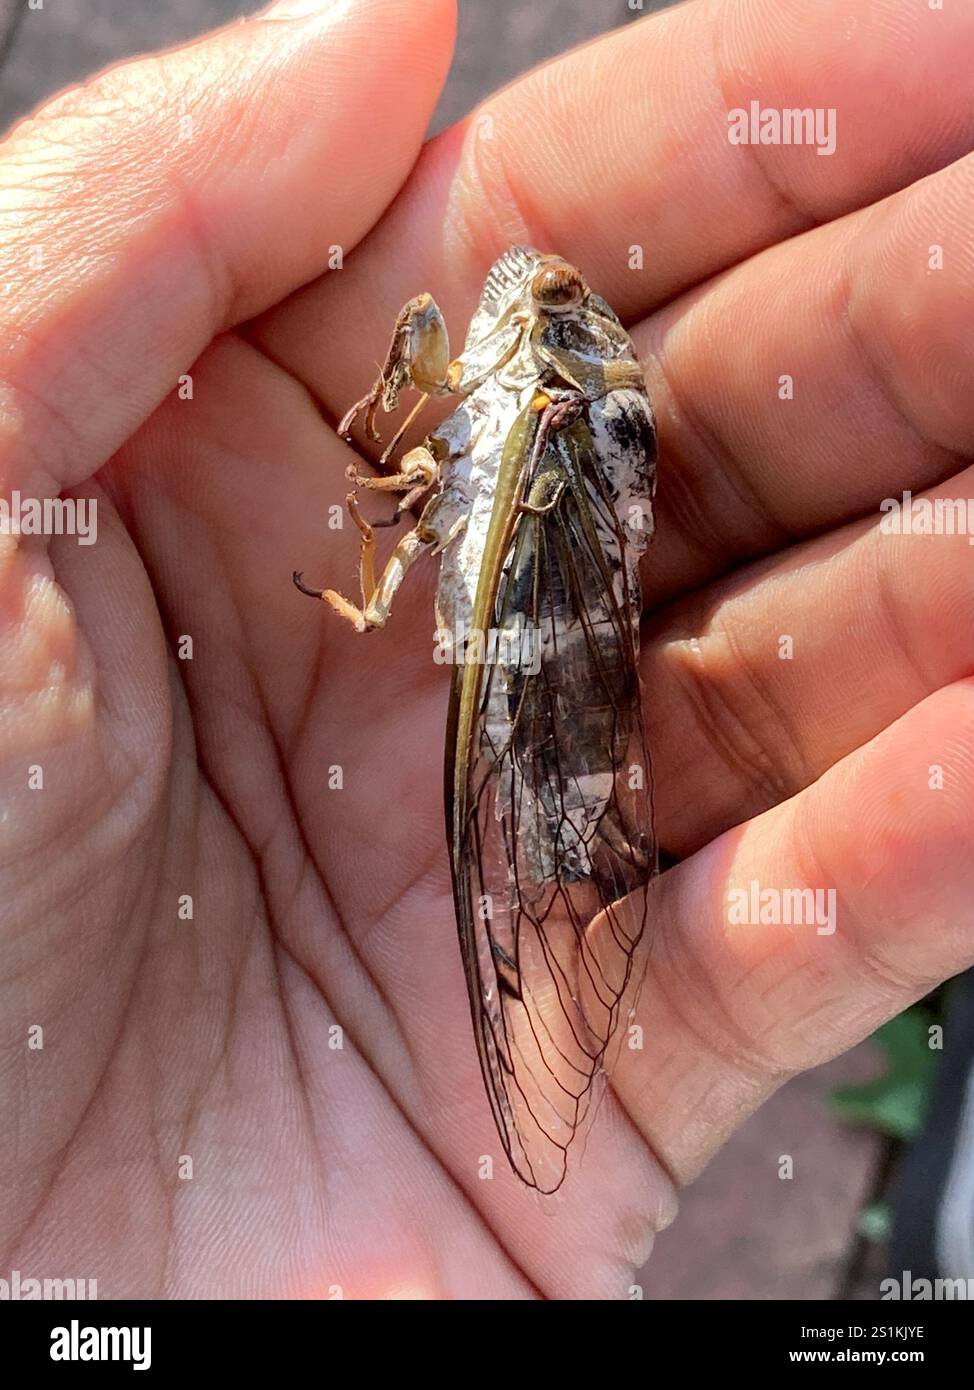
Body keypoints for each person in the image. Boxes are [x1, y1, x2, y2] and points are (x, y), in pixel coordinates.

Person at [1, 0, 972, 1300]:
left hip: (526, 641)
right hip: (541, 623)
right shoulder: (514, 408)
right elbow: (425, 454)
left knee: (496, 766)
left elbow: (437, 453)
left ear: (546, 378)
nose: (511, 298)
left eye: (536, 315)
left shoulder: (520, 424)